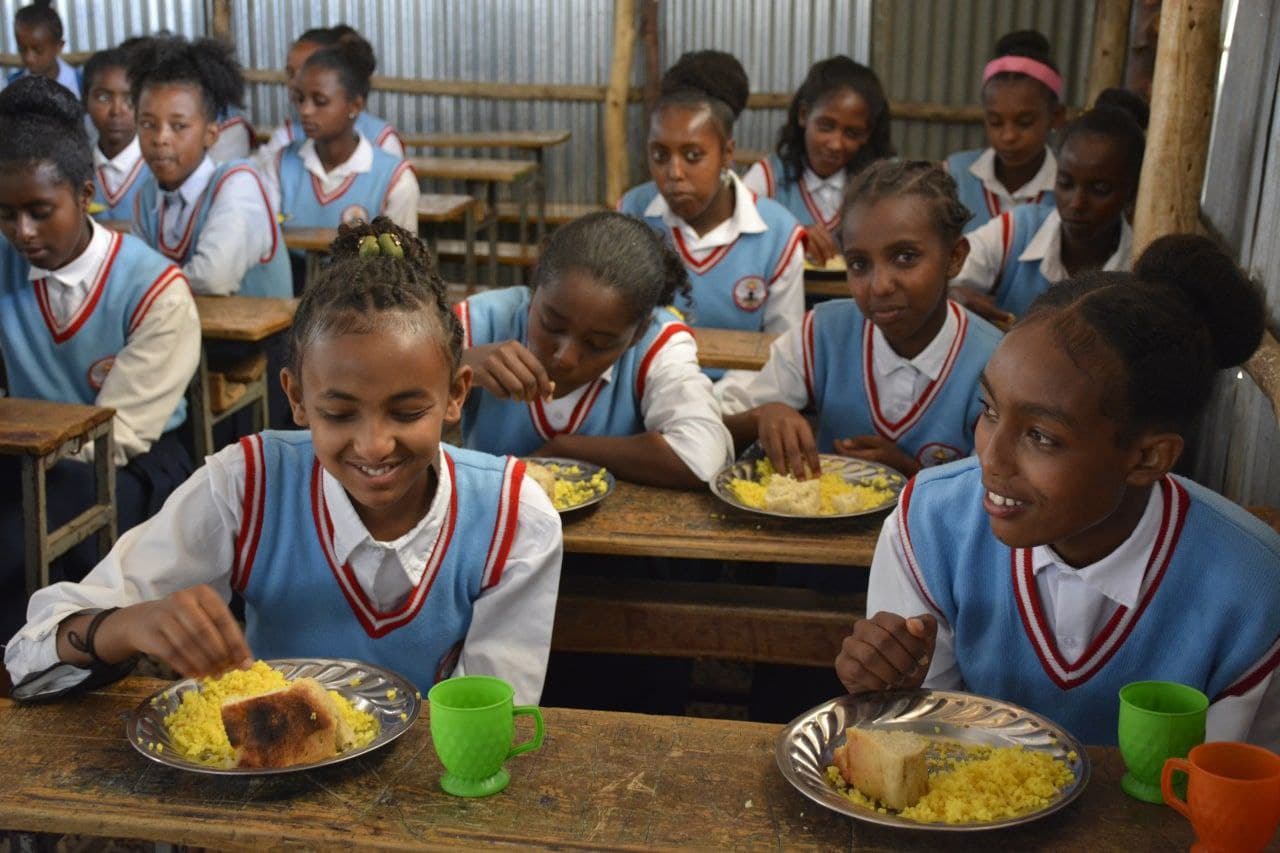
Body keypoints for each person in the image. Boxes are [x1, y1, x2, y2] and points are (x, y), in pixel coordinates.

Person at [4, 217, 564, 705]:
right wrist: (122, 625)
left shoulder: (513, 517)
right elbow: (29, 654)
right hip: (267, 789)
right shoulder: (247, 483)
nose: (373, 445)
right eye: (339, 414)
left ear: (456, 394)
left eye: (407, 411)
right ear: (295, 398)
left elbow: (496, 719)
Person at [834, 234, 1280, 748]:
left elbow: (1233, 788)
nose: (991, 459)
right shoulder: (929, 525)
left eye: (1042, 436)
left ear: (1147, 457)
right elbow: (923, 750)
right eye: (990, 409)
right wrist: (891, 693)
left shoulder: (1252, 590)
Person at [0, 76, 199, 637]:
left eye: (40, 210)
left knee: (16, 536)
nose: (22, 232)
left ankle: (30, 670)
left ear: (85, 194)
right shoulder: (4, 262)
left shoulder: (154, 290)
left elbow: (125, 432)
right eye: (6, 214)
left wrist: (31, 454)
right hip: (25, 454)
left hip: (126, 462)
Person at [723, 160, 1001, 478]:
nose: (880, 285)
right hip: (819, 527)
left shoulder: (994, 365)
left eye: (905, 257)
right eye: (858, 264)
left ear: (954, 258)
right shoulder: (821, 334)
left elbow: (993, 493)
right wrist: (761, 416)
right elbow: (716, 436)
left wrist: (910, 474)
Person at [456, 211, 733, 489]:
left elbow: (704, 457)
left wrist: (567, 450)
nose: (565, 357)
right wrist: (454, 367)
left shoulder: (658, 343)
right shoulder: (482, 320)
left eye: (597, 344)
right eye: (551, 325)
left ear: (637, 333)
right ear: (536, 282)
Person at [618, 51, 805, 348]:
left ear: (727, 154)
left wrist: (724, 394)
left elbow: (784, 350)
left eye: (693, 156)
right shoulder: (632, 213)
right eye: (659, 155)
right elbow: (618, 324)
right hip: (649, 384)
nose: (674, 173)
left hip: (744, 390)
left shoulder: (778, 234)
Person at [950, 102, 1144, 324]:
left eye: (1100, 189)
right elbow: (943, 274)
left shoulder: (1138, 269)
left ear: (1132, 193)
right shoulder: (1017, 231)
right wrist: (953, 294)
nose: (1077, 203)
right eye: (1065, 183)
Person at [128, 36, 290, 297]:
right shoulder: (148, 195)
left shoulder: (238, 183)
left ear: (211, 134)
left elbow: (213, 278)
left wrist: (143, 279)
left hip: (251, 339)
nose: (160, 138)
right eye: (148, 124)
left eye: (179, 126)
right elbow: (127, 274)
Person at [257, 30, 417, 233]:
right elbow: (264, 244)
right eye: (300, 99)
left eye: (320, 101)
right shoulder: (279, 165)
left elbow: (398, 262)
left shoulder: (395, 180)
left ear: (355, 106)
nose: (305, 111)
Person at [742, 56, 892, 266]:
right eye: (826, 126)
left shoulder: (880, 184)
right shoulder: (768, 176)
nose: (835, 144)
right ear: (803, 115)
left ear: (866, 134)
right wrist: (790, 236)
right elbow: (735, 234)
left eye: (852, 133)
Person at [944, 31, 1064, 233]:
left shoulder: (1068, 187)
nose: (1008, 136)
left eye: (1024, 123)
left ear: (1056, 117)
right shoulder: (956, 175)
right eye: (995, 122)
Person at [258, 25, 405, 161]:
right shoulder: (285, 138)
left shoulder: (381, 140)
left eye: (307, 70)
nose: (296, 82)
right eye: (290, 73)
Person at [82, 47, 150, 221]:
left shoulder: (159, 168)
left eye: (129, 99)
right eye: (103, 98)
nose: (116, 111)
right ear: (85, 102)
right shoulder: (74, 167)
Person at [7, 1, 81, 98]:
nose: (29, 58)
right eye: (22, 49)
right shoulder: (11, 86)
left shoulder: (80, 85)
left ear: (59, 46)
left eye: (38, 51)